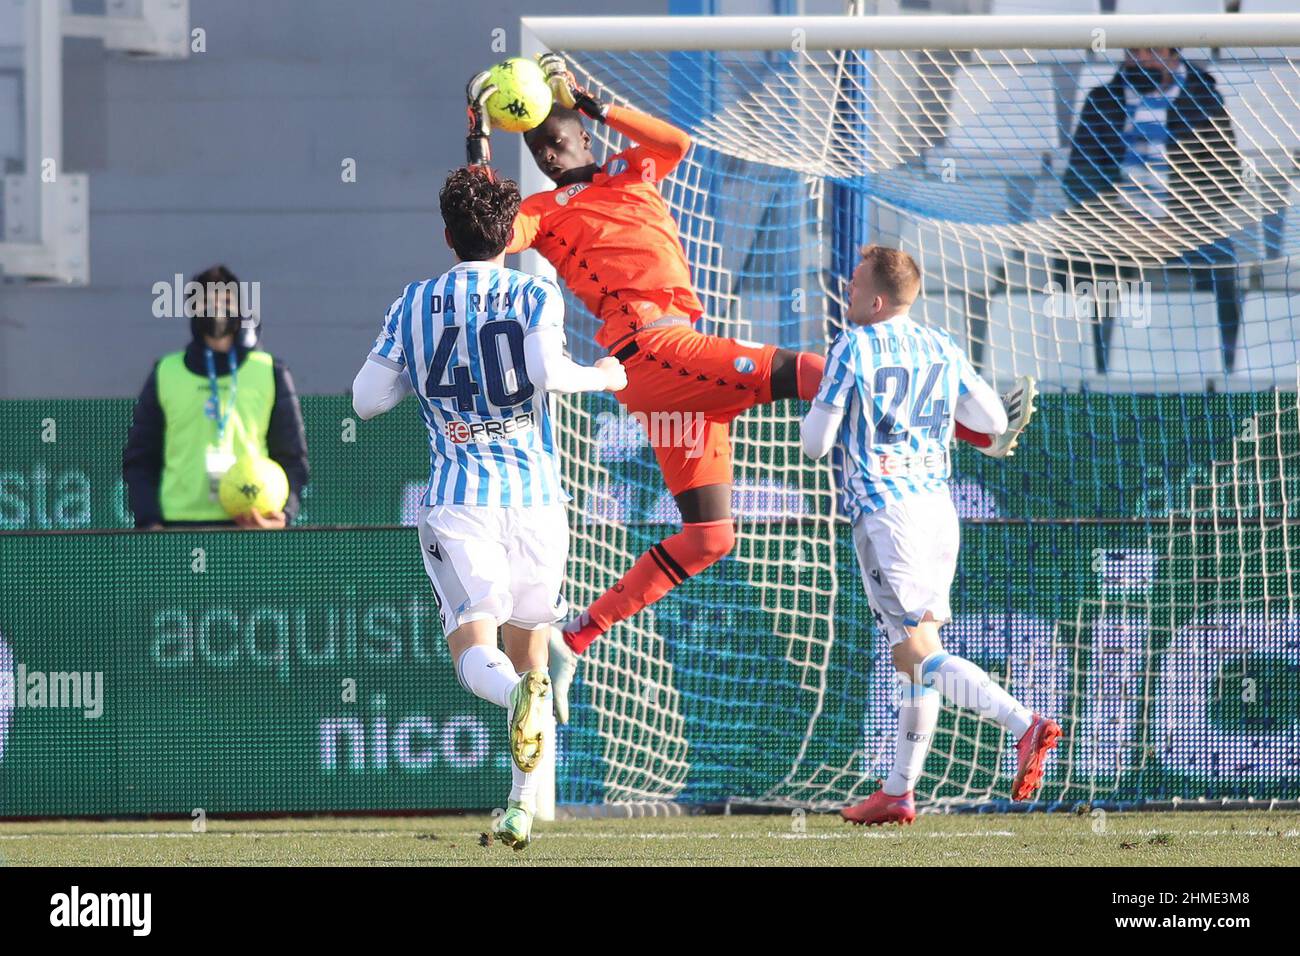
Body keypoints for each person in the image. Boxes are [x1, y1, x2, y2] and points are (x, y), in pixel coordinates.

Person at [466, 54, 1036, 723]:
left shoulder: (631, 170)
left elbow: (676, 142)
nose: (550, 152)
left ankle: (574, 637)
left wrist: (593, 101)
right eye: (538, 147)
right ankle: (974, 432)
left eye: (557, 138)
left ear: (585, 136)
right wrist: (477, 132)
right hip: (654, 349)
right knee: (825, 371)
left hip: (676, 373)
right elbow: (485, 233)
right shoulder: (542, 208)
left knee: (709, 536)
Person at [351, 166, 626, 850]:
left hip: (461, 503)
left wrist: (421, 387)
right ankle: (519, 808)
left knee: (479, 652)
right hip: (538, 503)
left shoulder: (413, 303)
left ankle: (514, 706)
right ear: (513, 235)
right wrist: (607, 375)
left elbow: (365, 399)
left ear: (446, 235)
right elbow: (550, 375)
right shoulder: (535, 292)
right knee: (530, 654)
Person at [801, 245, 1062, 826]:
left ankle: (1025, 725)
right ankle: (898, 791)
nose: (845, 294)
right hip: (938, 510)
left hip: (885, 514)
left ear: (873, 299)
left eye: (852, 286)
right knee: (911, 657)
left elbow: (815, 445)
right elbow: (994, 422)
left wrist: (831, 410)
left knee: (918, 653)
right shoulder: (940, 344)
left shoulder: (852, 347)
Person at [1061, 47, 1243, 375]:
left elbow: (1226, 181)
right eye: (1134, 52)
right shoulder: (1102, 101)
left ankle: (1228, 366)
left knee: (1222, 261)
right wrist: (1113, 217)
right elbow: (1077, 178)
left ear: (1174, 56)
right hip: (1119, 228)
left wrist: (1179, 220)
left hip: (1184, 229)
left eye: (1152, 52)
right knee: (1070, 256)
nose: (1141, 60)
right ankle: (1089, 367)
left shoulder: (1204, 101)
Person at [122, 264, 308, 529]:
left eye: (226, 301)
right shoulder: (166, 372)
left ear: (241, 310)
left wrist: (285, 513)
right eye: (207, 303)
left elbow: (292, 456)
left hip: (251, 522)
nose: (217, 310)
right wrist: (150, 520)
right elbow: (140, 457)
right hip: (179, 526)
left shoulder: (269, 371)